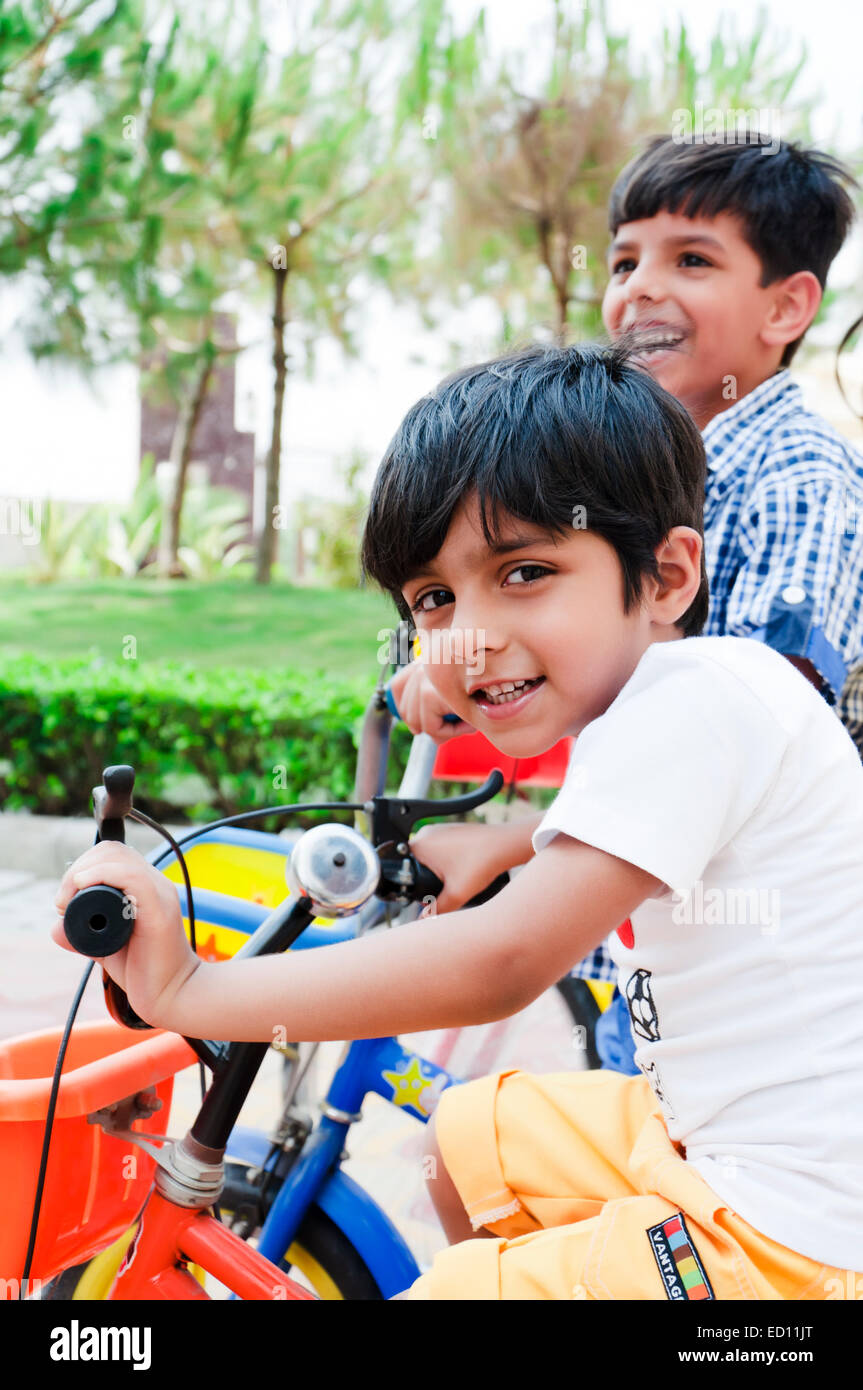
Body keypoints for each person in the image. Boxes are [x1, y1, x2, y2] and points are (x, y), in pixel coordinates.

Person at [54, 342, 863, 1299]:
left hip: (793, 1229)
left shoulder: (696, 700)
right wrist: (473, 696)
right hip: (706, 1133)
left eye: (521, 572)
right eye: (434, 600)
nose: (471, 636)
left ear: (668, 576)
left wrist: (190, 989)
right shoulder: (670, 699)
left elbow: (500, 962)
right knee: (464, 1140)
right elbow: (613, 801)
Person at [388, 132, 863, 1073]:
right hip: (674, 926)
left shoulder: (796, 476)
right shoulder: (638, 480)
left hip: (764, 965)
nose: (638, 287)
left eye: (690, 258)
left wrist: (528, 839)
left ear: (786, 305)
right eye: (622, 259)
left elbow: (762, 717)